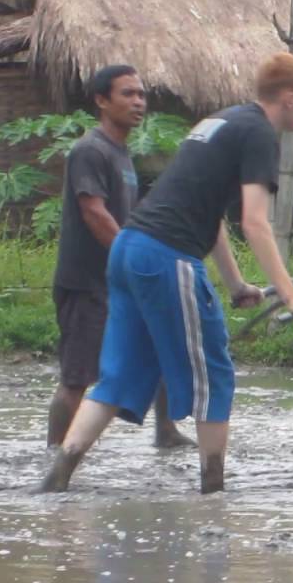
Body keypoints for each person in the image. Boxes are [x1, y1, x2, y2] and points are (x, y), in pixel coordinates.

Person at [39, 52, 293, 494]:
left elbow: (211, 217)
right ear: (288, 98)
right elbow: (255, 222)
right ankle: (214, 490)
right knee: (214, 372)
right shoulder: (259, 135)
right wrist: (290, 295)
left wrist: (234, 284)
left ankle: (60, 472)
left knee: (116, 378)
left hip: (129, 250)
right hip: (165, 257)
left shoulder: (223, 122)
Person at [48, 65, 194, 450]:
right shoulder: (90, 150)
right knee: (78, 376)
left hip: (119, 277)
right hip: (87, 282)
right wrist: (132, 258)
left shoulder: (120, 152)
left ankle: (165, 431)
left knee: (162, 343)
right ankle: (54, 452)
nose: (138, 102)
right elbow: (94, 212)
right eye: (127, 94)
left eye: (141, 95)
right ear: (101, 100)